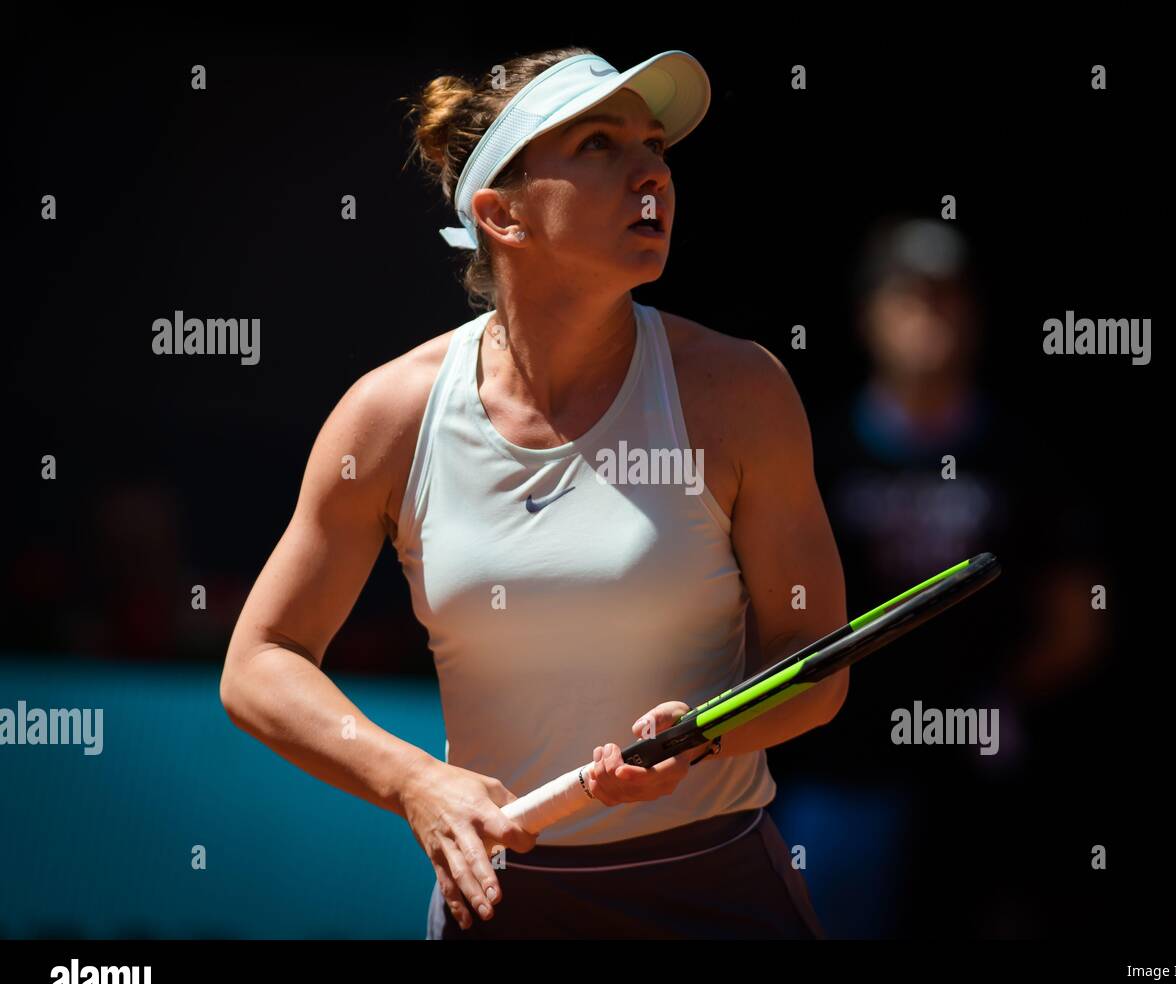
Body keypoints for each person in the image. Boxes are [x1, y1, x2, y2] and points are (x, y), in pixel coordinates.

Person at [219, 47, 845, 939]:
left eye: (657, 147)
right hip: (499, 902)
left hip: (716, 890)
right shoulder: (389, 414)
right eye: (599, 143)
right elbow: (260, 661)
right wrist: (415, 780)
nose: (651, 174)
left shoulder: (742, 390)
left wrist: (710, 730)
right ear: (501, 215)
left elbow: (816, 658)